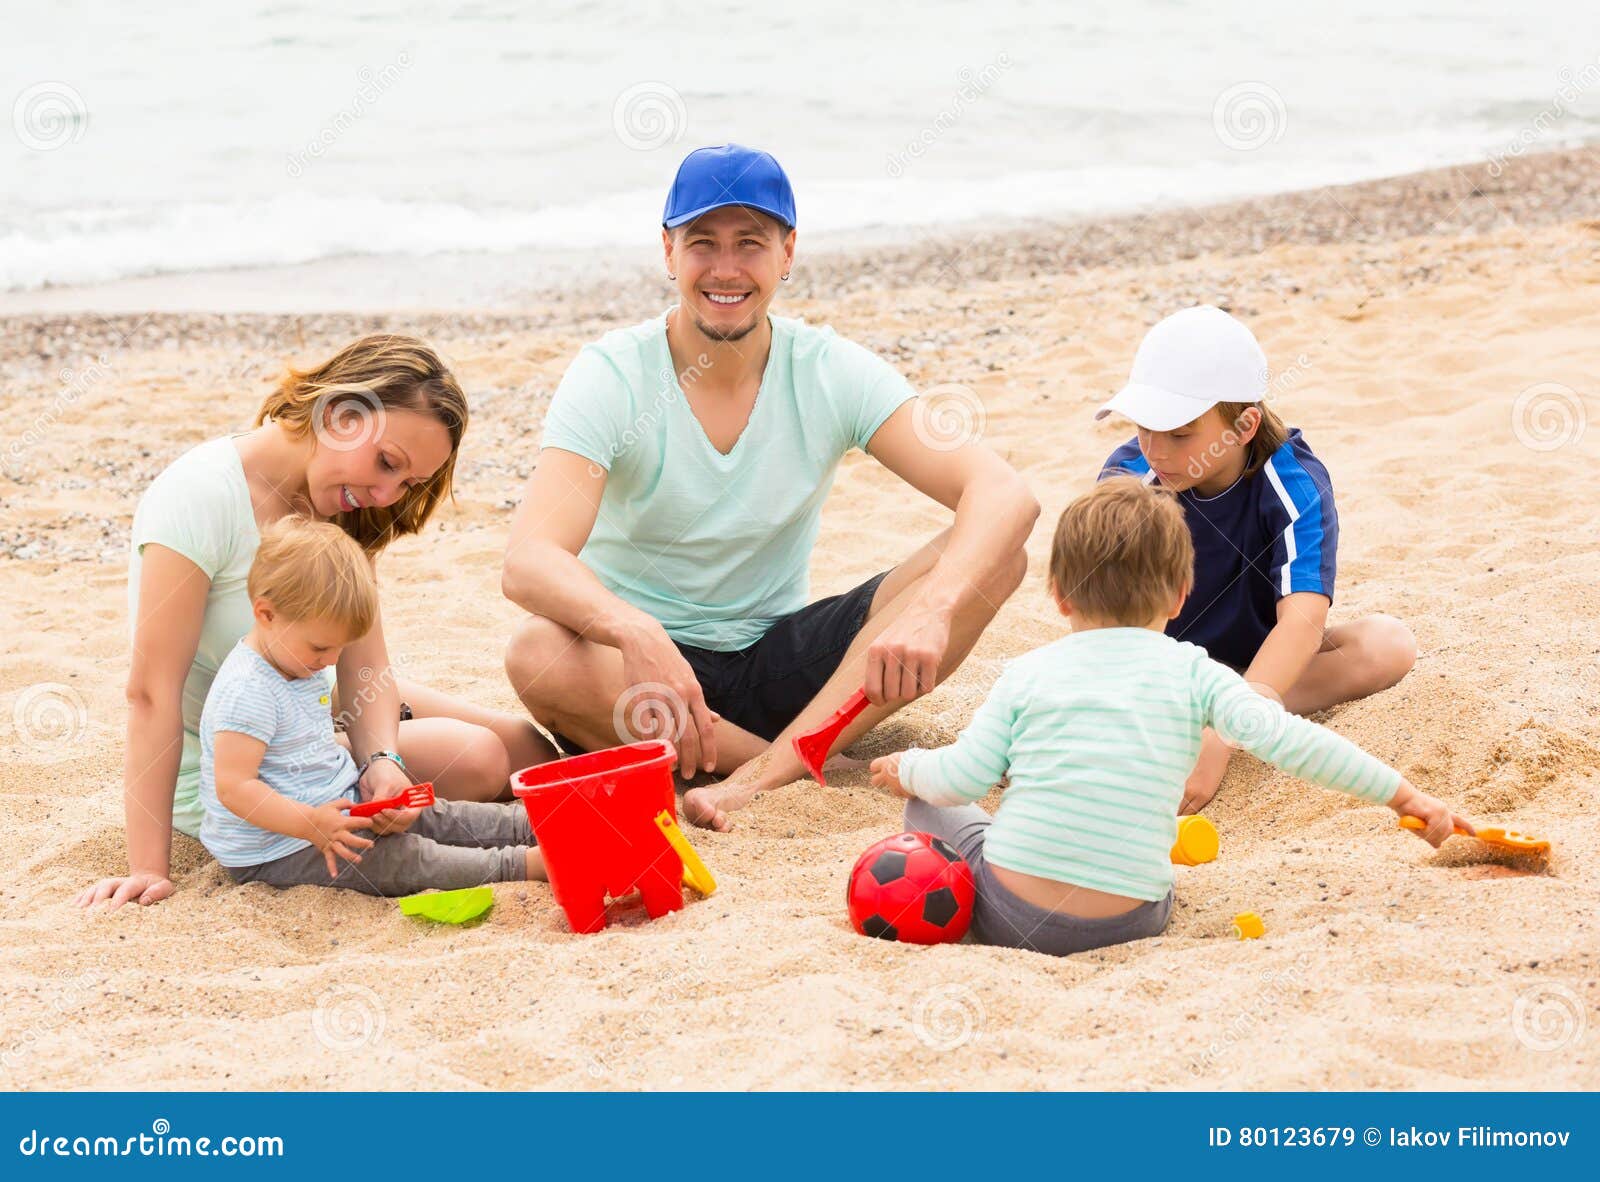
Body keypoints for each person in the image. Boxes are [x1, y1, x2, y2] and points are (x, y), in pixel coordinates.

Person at [503, 144, 1037, 831]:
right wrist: (633, 628)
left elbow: (1004, 493)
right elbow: (528, 559)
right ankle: (789, 762)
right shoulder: (612, 374)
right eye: (703, 243)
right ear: (668, 252)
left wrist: (933, 610)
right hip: (644, 683)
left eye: (750, 243)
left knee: (996, 557)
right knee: (536, 653)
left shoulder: (828, 368)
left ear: (787, 253)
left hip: (785, 667)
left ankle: (766, 767)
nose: (726, 269)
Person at [869, 477, 1469, 957]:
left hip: (1012, 917)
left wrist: (907, 768)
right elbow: (1296, 743)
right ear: (1181, 594)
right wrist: (1403, 795)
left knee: (929, 806)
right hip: (1133, 922)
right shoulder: (1196, 673)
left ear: (1059, 595)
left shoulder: (1026, 673)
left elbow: (963, 778)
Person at [78, 334, 556, 910]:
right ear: (340, 416)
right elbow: (151, 694)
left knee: (526, 746)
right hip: (251, 763)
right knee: (479, 756)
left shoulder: (337, 498)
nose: (386, 494)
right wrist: (148, 869)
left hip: (310, 698)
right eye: (388, 464)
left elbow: (366, 665)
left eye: (406, 483)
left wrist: (382, 761)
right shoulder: (201, 497)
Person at [1097, 306, 1417, 814]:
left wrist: (1224, 734)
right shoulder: (1130, 477)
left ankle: (1221, 715)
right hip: (1165, 670)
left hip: (1259, 665)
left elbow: (1303, 621)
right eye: (1144, 427)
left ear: (1244, 426)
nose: (1155, 450)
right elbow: (1106, 621)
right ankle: (1190, 717)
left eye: (1179, 434)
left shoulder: (1293, 482)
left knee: (1388, 644)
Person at [202, 517, 543, 894]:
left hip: (335, 807)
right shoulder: (247, 690)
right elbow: (234, 788)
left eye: (340, 648)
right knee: (404, 860)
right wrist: (310, 823)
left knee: (436, 816)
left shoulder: (294, 658)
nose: (332, 661)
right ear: (266, 614)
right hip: (280, 847)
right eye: (321, 647)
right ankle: (524, 865)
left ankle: (535, 824)